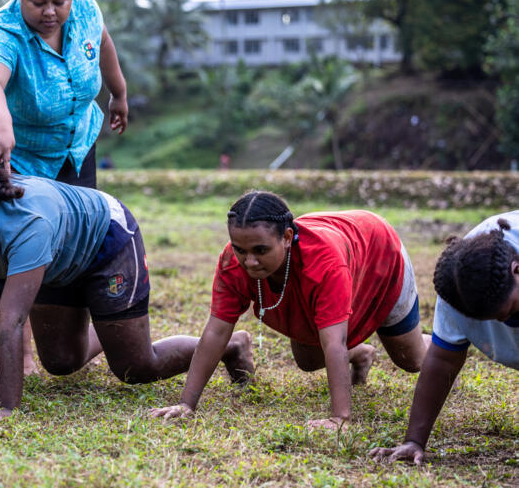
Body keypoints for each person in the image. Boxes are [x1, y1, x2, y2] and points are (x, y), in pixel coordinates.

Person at [0, 152, 254, 420]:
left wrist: (6, 411)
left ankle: (232, 345)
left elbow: (10, 321)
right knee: (61, 362)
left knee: (135, 367)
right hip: (57, 260)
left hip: (106, 241)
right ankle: (112, 329)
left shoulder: (28, 224)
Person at [0, 0, 129, 372]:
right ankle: (18, 344)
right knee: (6, 233)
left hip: (73, 143)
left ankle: (67, 330)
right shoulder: (3, 29)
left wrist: (119, 92)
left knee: (72, 236)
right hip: (6, 145)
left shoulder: (85, 6)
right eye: (39, 3)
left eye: (60, 2)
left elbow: (102, 42)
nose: (51, 11)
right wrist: (0, 121)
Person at [150, 191, 430, 429]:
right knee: (307, 360)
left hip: (378, 252)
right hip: (341, 253)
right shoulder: (232, 262)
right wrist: (186, 404)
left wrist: (339, 418)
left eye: (260, 250)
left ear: (286, 237)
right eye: (240, 249)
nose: (249, 261)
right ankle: (360, 352)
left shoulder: (324, 264)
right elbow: (215, 332)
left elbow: (334, 342)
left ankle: (444, 344)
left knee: (411, 359)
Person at [370, 212, 519, 465]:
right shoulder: (461, 284)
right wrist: (414, 441)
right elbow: (442, 362)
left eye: (508, 312)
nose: (499, 324)